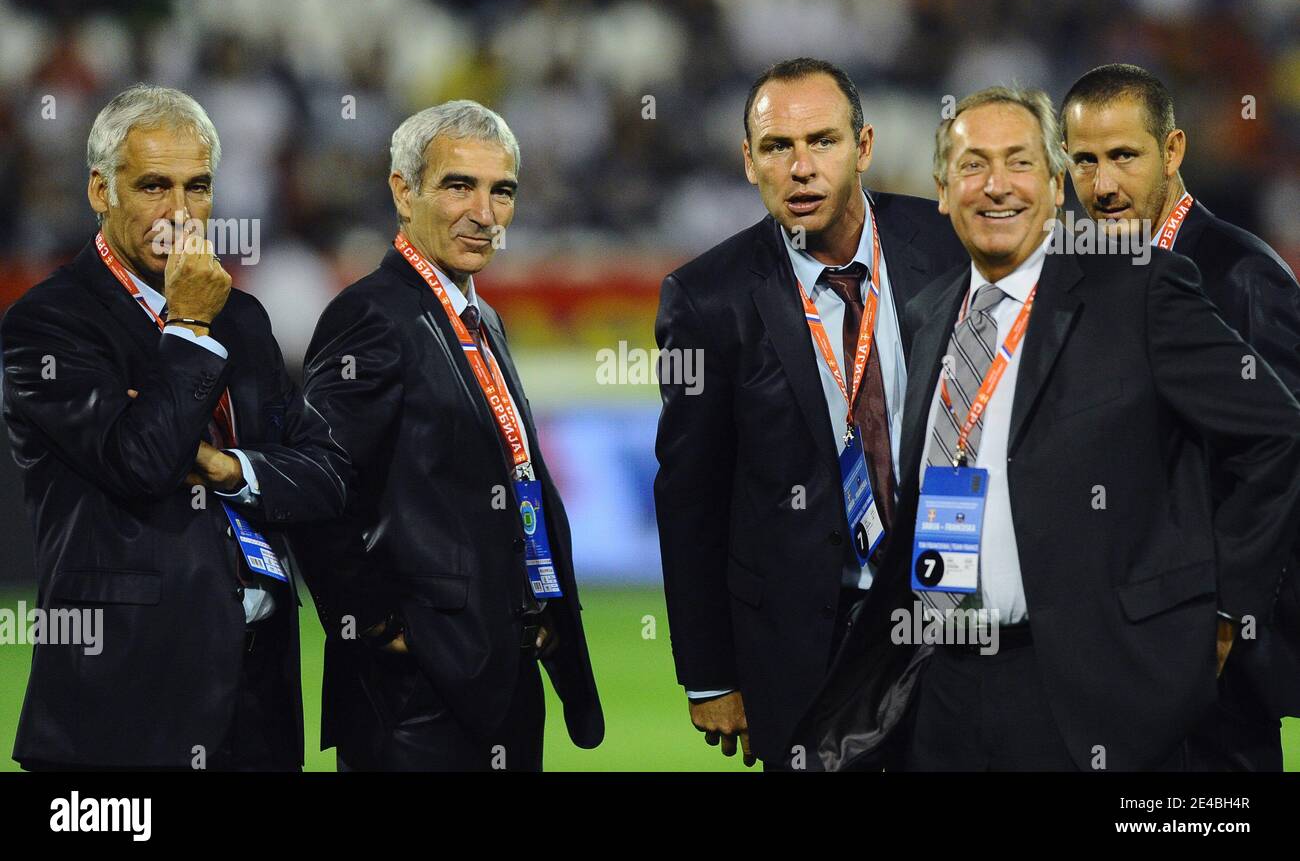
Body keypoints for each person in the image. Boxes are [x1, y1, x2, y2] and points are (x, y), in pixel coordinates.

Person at [809, 86, 1300, 771]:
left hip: (1081, 690)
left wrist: (1226, 609)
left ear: (1055, 185)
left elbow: (1277, 432)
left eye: (1019, 162)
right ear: (943, 191)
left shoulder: (1138, 289)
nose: (997, 185)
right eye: (973, 165)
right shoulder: (926, 317)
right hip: (942, 684)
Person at [1, 84, 347, 771]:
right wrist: (186, 325)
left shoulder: (243, 320)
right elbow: (144, 461)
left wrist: (228, 467)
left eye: (198, 187)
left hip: (256, 706)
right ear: (101, 191)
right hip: (123, 709)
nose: (180, 212)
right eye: (155, 185)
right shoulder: (47, 325)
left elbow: (325, 474)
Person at [653, 57, 966, 768]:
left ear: (863, 147)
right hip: (805, 654)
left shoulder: (947, 244)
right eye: (776, 147)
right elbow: (688, 496)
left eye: (821, 142)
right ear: (747, 161)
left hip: (948, 625)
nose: (800, 167)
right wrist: (709, 673)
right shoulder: (705, 298)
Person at [292, 100, 602, 771]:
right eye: (459, 185)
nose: (484, 212)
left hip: (502, 670)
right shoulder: (371, 314)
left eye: (502, 192)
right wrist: (381, 626)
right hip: (415, 698)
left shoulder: (479, 315)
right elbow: (314, 486)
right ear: (404, 192)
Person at [1062, 63, 1300, 771]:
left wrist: (1227, 616)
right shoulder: (1086, 278)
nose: (1102, 186)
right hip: (1112, 652)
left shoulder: (1238, 274)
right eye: (1084, 161)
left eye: (1123, 156)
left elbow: (1285, 453)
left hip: (1214, 680)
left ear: (1172, 152)